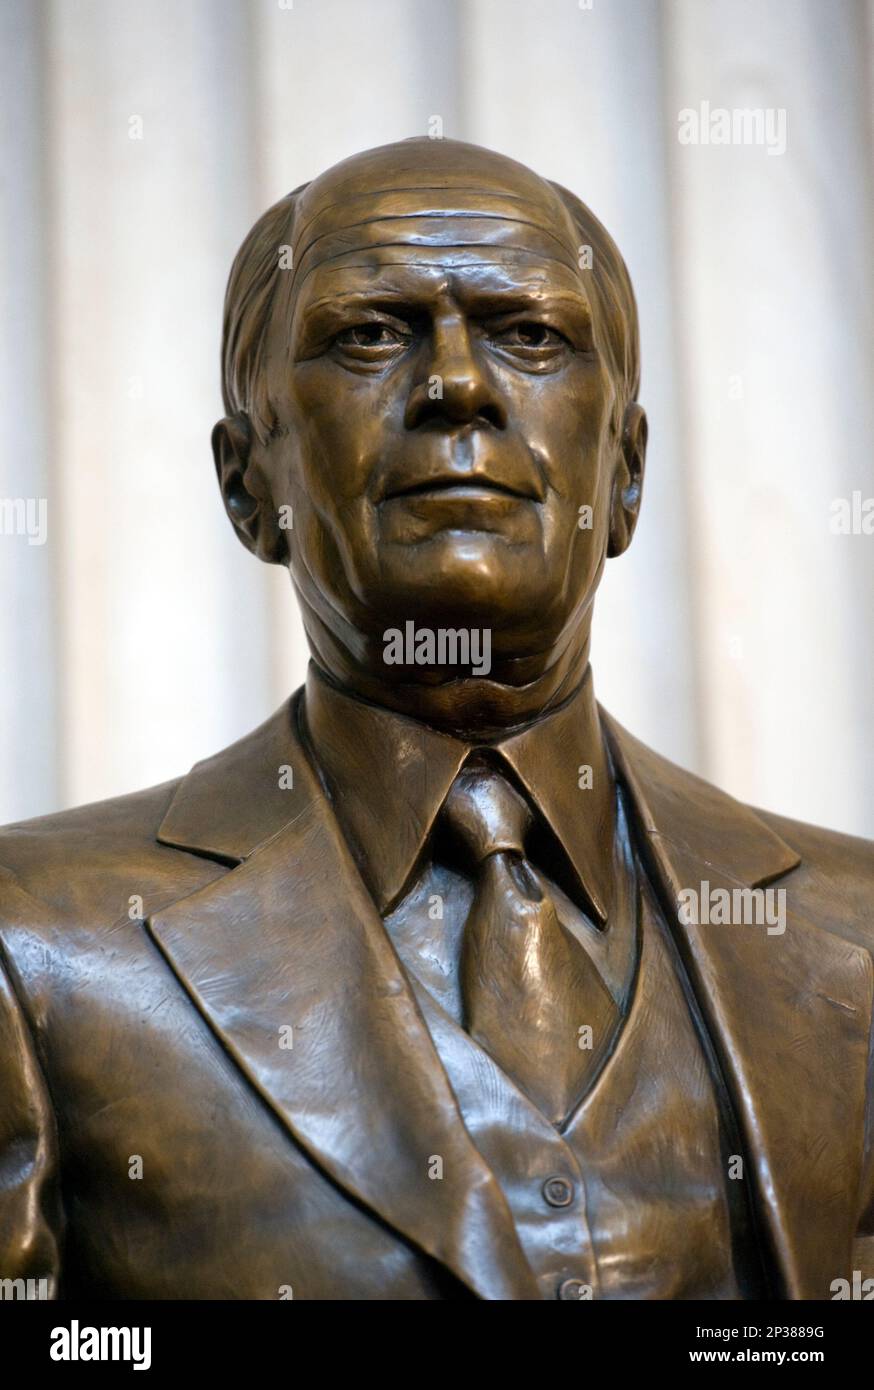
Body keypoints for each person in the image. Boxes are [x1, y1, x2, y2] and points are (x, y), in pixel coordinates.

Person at [1, 138, 872, 1301]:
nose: (456, 382)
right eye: (368, 333)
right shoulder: (40, 945)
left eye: (531, 334)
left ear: (624, 473)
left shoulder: (849, 940)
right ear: (247, 483)